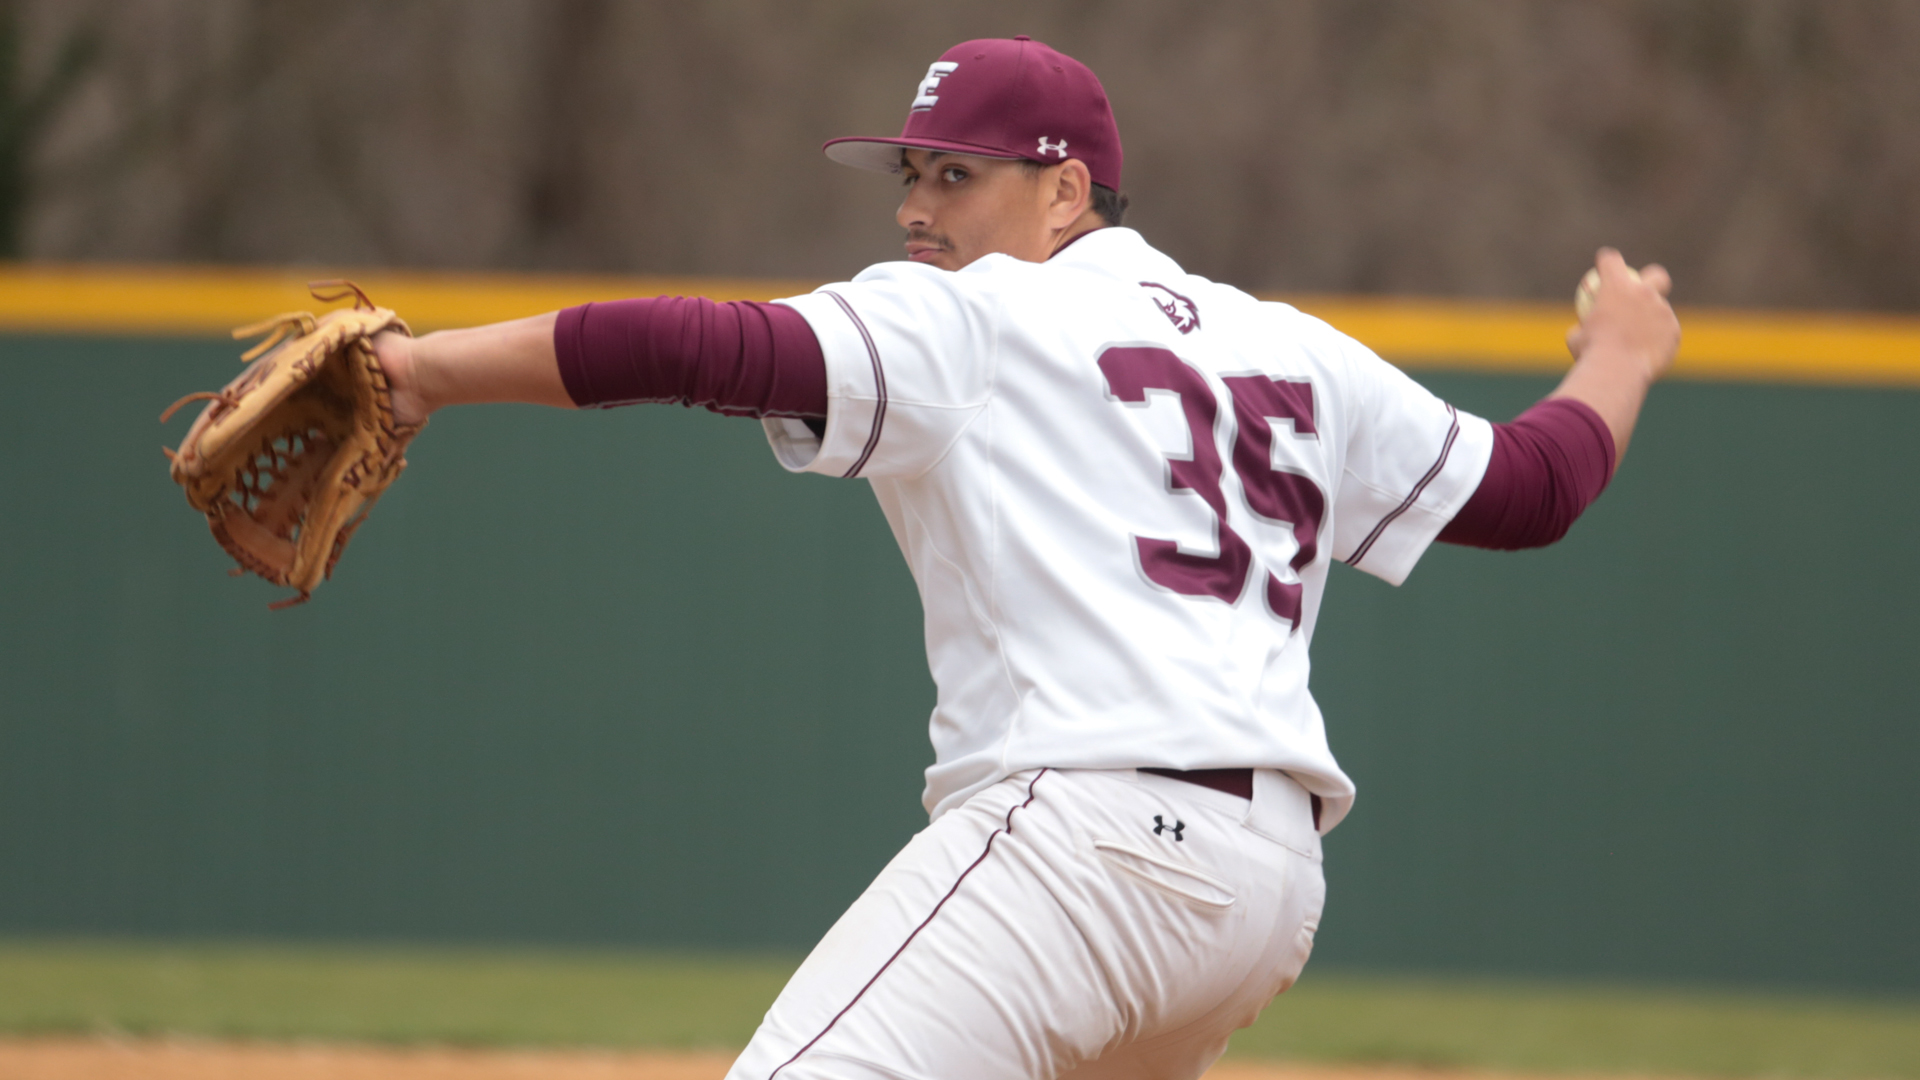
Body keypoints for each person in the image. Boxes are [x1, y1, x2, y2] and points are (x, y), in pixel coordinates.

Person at [375, 36, 1679, 1080]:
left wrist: (422, 371)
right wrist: (1621, 352)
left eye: (957, 176)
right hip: (1264, 893)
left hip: (1092, 842)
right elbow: (1532, 485)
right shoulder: (1289, 345)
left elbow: (691, 346)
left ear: (1064, 192)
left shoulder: (978, 316)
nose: (913, 207)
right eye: (911, 174)